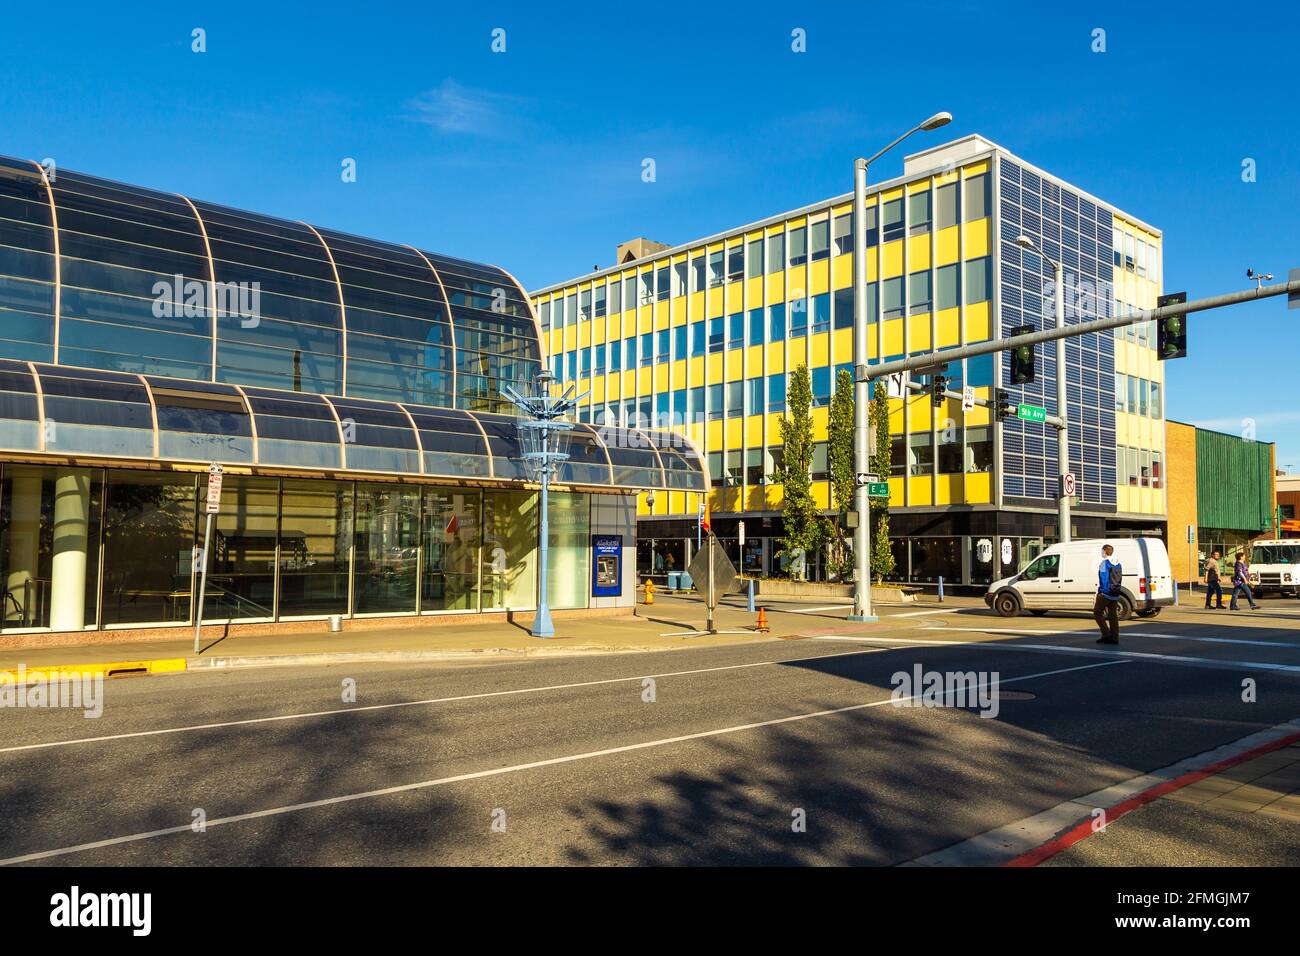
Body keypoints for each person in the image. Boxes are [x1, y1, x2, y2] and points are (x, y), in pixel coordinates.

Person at [1094, 543, 1122, 645]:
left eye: (1102, 551)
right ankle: (1115, 637)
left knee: (1097, 612)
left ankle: (1106, 634)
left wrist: (1101, 591)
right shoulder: (1118, 563)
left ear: (1105, 551)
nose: (1102, 552)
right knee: (1113, 615)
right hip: (1115, 592)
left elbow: (1103, 578)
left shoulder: (1104, 563)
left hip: (1105, 593)